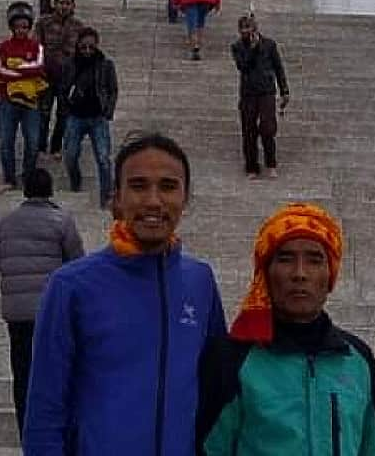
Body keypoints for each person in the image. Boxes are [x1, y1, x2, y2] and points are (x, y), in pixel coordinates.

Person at [23, 133, 226, 455]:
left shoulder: (199, 281)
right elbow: (45, 407)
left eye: (168, 186)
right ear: (116, 198)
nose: (154, 201)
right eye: (139, 185)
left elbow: (215, 389)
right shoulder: (72, 286)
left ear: (186, 198)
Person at [197, 203, 375, 456]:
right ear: (266, 273)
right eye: (285, 259)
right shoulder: (232, 358)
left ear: (331, 276)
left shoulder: (356, 358)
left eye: (315, 260)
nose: (300, 274)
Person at [0, 168, 84, 441]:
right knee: (54, 372)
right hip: (50, 311)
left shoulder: (6, 222)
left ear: (26, 190)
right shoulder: (61, 221)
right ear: (50, 190)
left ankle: (27, 433)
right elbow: (77, 264)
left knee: (22, 374)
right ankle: (54, 433)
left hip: (17, 312)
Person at [58, 27, 118, 207]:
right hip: (76, 115)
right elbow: (62, 88)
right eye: (83, 47)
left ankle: (106, 196)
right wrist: (66, 105)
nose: (87, 51)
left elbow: (113, 89)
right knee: (70, 155)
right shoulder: (70, 64)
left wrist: (108, 111)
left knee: (103, 158)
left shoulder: (105, 64)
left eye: (91, 47)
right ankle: (75, 182)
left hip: (97, 116)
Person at [0, 1, 46, 193]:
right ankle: (9, 178)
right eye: (18, 26)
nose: (21, 30)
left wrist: (15, 67)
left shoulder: (37, 47)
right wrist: (25, 69)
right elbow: (1, 72)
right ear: (11, 27)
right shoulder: (1, 47)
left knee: (33, 142)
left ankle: (28, 177)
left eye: (25, 27)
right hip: (8, 101)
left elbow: (39, 68)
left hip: (31, 102)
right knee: (6, 141)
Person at [231, 16, 290, 180]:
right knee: (249, 130)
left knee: (267, 128)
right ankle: (251, 167)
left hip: (266, 91)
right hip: (248, 93)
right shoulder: (237, 47)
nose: (246, 32)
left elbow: (279, 68)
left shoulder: (270, 45)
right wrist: (253, 49)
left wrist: (284, 90)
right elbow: (243, 66)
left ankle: (271, 164)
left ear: (255, 28)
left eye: (249, 28)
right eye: (243, 29)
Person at [33, 0, 85, 159]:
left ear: (73, 6)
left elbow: (82, 52)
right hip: (46, 74)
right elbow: (36, 46)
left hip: (67, 76)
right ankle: (40, 146)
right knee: (44, 112)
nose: (64, 6)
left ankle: (56, 147)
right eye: (61, 3)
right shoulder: (44, 23)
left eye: (68, 3)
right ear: (55, 4)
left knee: (63, 114)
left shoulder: (79, 27)